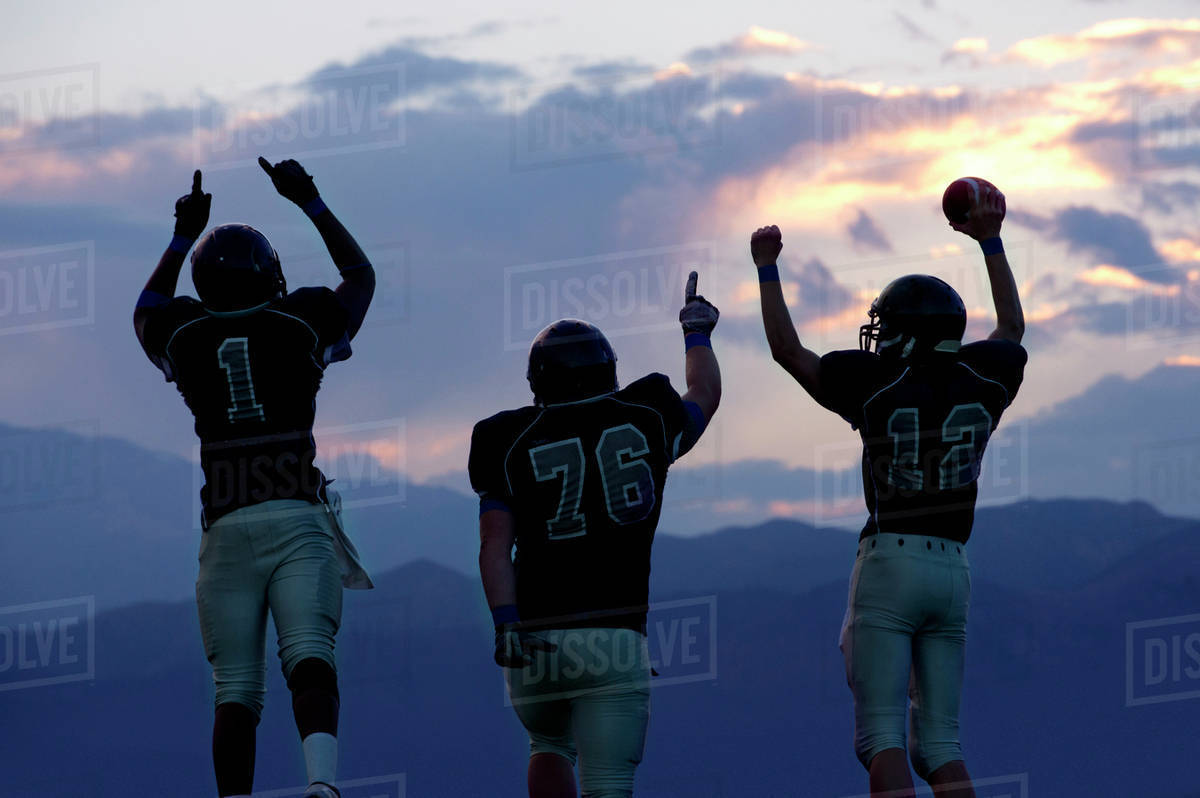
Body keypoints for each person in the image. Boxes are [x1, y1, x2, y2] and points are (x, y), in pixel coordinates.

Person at [750, 184, 1025, 798]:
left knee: (881, 738)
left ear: (900, 334)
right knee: (944, 745)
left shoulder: (873, 383)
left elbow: (786, 351)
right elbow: (1011, 326)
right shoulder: (987, 379)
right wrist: (991, 242)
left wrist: (767, 271)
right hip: (954, 567)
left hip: (890, 559)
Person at [133, 158, 376, 798]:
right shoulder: (299, 322)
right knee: (309, 657)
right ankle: (321, 785)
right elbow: (359, 276)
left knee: (236, 688)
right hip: (295, 515)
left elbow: (146, 309)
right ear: (269, 274)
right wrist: (310, 201)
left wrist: (182, 235)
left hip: (227, 526)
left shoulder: (183, 334)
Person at [468, 272, 722, 798]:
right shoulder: (647, 414)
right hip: (614, 635)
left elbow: (494, 543)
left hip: (535, 636)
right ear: (608, 369)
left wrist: (505, 622)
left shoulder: (504, 439)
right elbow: (705, 393)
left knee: (547, 745)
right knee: (608, 784)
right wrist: (696, 331)